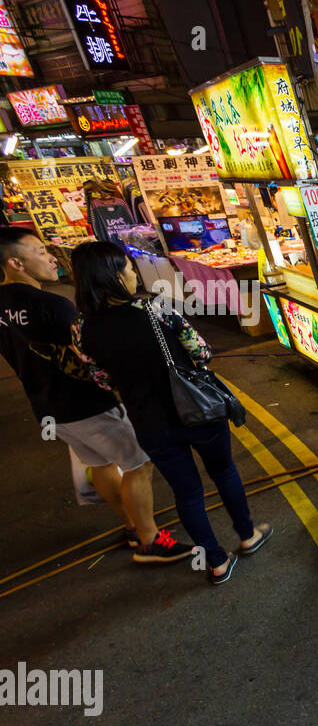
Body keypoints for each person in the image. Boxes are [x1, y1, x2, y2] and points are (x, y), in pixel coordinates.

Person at [71, 241, 270, 585]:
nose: (134, 273)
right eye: (129, 269)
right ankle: (247, 535)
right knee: (223, 471)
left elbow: (101, 378)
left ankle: (217, 561)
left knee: (187, 492)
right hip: (197, 410)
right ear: (114, 276)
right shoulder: (156, 309)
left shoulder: (83, 331)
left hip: (150, 423)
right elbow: (202, 351)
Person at [0, 226, 187, 563]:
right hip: (87, 403)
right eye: (39, 251)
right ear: (16, 262)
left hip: (47, 406)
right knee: (139, 464)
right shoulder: (52, 305)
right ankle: (149, 541)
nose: (49, 257)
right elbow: (88, 355)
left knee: (100, 463)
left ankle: (132, 526)